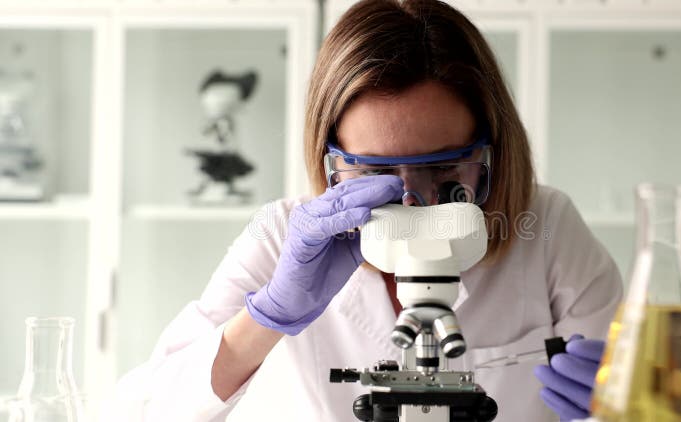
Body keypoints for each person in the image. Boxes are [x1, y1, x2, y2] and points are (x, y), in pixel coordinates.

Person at [111, 0, 623, 420]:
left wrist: (629, 407)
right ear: (330, 159)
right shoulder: (279, 236)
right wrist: (268, 317)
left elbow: (642, 396)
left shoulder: (549, 227)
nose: (411, 200)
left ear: (492, 153)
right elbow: (143, 409)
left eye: (442, 171)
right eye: (376, 174)